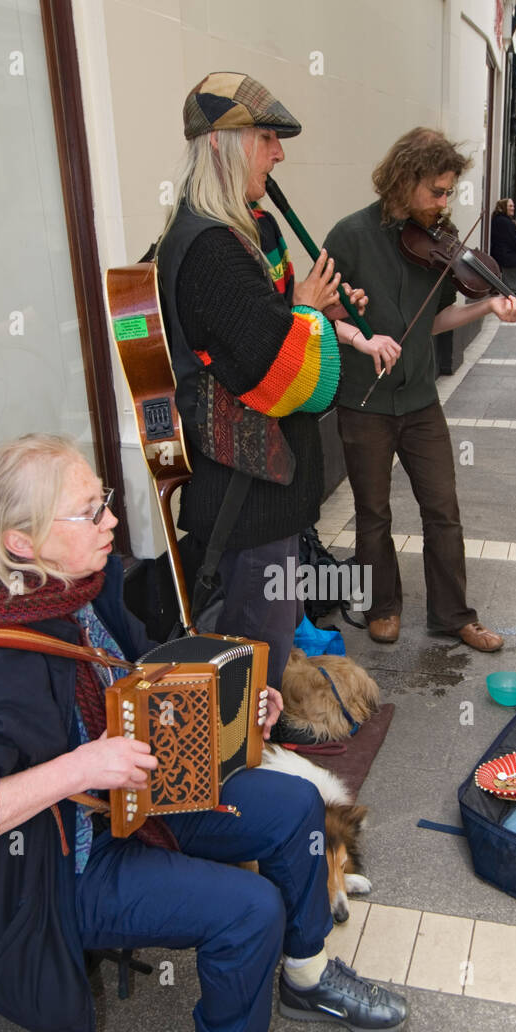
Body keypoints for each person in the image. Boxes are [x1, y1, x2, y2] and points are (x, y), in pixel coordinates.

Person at [0, 434, 407, 1032]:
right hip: (55, 864)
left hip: (132, 799)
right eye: (90, 511)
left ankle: (306, 975)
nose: (110, 522)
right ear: (20, 541)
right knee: (248, 908)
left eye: (103, 502)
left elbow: (134, 686)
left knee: (296, 804)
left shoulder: (83, 589)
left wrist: (235, 711)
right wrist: (78, 768)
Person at [154, 73, 393, 689]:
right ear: (220, 144)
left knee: (271, 633)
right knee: (256, 648)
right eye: (266, 138)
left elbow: (256, 334)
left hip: (261, 487)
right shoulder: (212, 249)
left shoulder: (239, 233)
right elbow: (285, 377)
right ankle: (245, 764)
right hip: (247, 493)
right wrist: (309, 312)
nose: (279, 152)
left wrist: (321, 313)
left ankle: (257, 743)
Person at [323, 128, 516, 650]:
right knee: (373, 514)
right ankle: (383, 607)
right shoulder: (349, 235)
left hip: (419, 399)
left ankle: (454, 615)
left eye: (449, 193)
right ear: (405, 179)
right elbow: (315, 311)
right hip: (363, 400)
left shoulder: (440, 242)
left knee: (443, 509)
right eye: (437, 191)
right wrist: (350, 318)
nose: (445, 203)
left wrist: (488, 305)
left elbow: (435, 321)